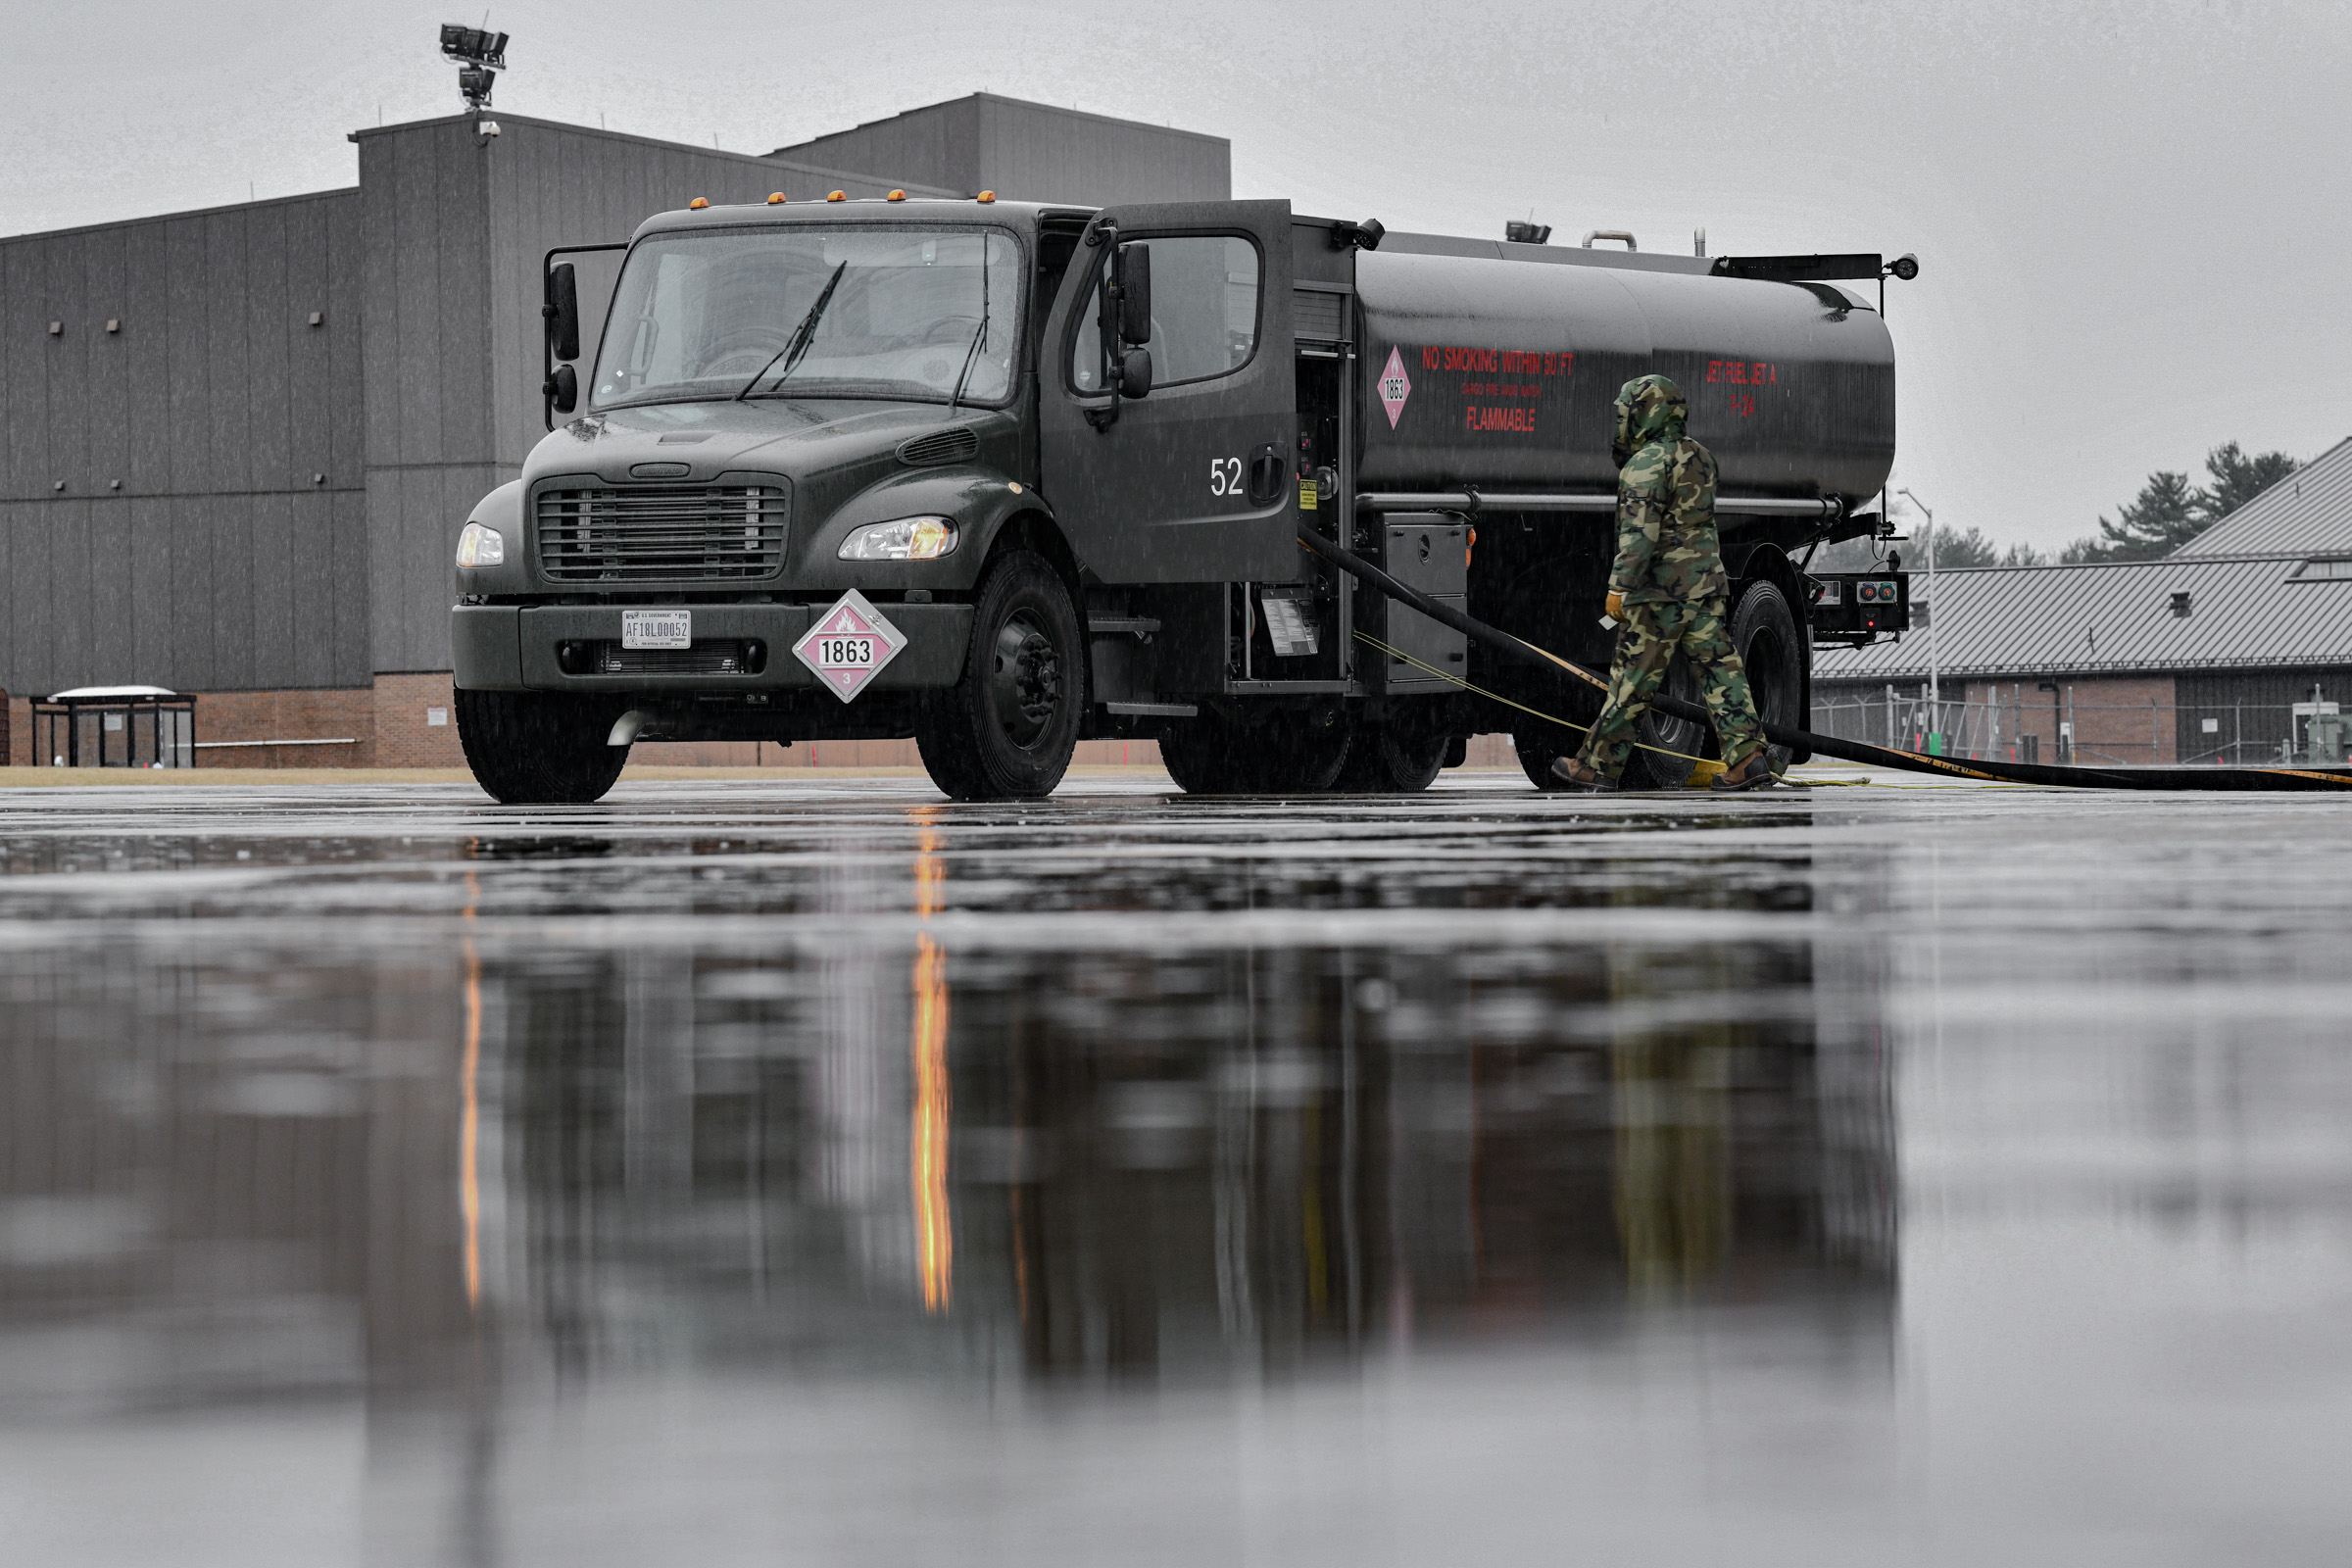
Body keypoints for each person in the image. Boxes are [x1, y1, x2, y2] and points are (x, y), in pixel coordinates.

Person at [1553, 373, 1776, 792]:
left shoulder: (1644, 465)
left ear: (1642, 414)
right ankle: (1748, 758)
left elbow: (1640, 535)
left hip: (1660, 593)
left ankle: (1597, 767)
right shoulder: (1702, 457)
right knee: (1721, 671)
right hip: (1705, 585)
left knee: (1632, 680)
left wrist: (1619, 586)